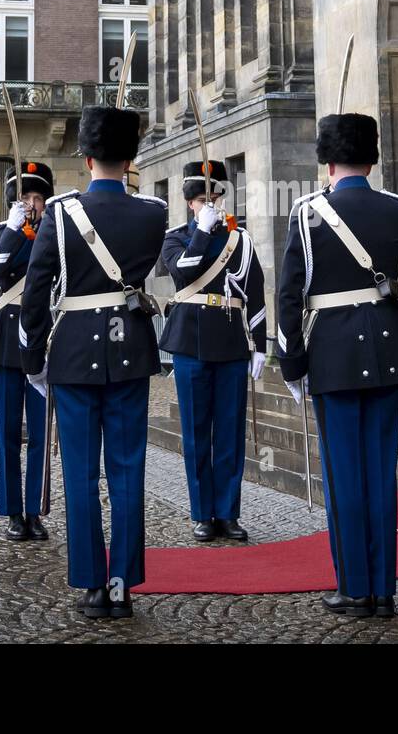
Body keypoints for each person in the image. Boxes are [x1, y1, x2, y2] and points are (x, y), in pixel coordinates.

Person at [19, 105, 167, 619]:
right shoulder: (154, 212)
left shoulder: (61, 214)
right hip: (130, 349)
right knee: (127, 469)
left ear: (85, 159)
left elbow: (36, 292)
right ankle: (124, 582)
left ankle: (90, 581)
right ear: (131, 160)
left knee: (80, 472)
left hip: (76, 350)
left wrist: (33, 353)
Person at [275, 113, 398, 618]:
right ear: (371, 156)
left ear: (328, 159)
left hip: (333, 355)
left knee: (344, 476)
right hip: (385, 353)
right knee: (381, 473)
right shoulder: (397, 209)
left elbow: (290, 294)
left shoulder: (307, 212)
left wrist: (290, 360)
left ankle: (355, 587)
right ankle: (383, 588)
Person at [158, 159, 267, 543]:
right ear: (190, 203)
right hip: (189, 343)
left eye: (215, 197)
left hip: (232, 339)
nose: (211, 204)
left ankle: (228, 512)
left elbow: (255, 291)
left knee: (230, 433)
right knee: (195, 432)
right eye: (202, 199)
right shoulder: (176, 238)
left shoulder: (241, 239)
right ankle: (202, 512)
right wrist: (201, 234)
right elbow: (182, 273)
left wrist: (260, 344)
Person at [0, 161, 53, 542]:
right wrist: (14, 228)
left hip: (42, 336)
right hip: (8, 339)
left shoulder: (55, 234)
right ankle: (12, 510)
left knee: (41, 433)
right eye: (25, 197)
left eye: (37, 197)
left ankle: (35, 509)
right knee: (8, 431)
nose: (31, 204)